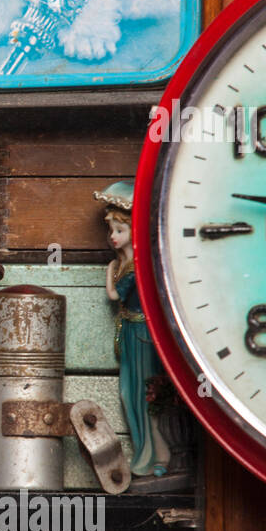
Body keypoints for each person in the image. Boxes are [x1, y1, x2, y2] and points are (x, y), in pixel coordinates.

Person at [95, 181, 170, 477]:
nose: (113, 238)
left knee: (145, 395)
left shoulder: (136, 266)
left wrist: (108, 271)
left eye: (120, 230)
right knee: (131, 394)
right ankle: (145, 453)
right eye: (111, 231)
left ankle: (156, 455)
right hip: (130, 332)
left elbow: (114, 295)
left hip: (142, 336)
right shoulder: (129, 263)